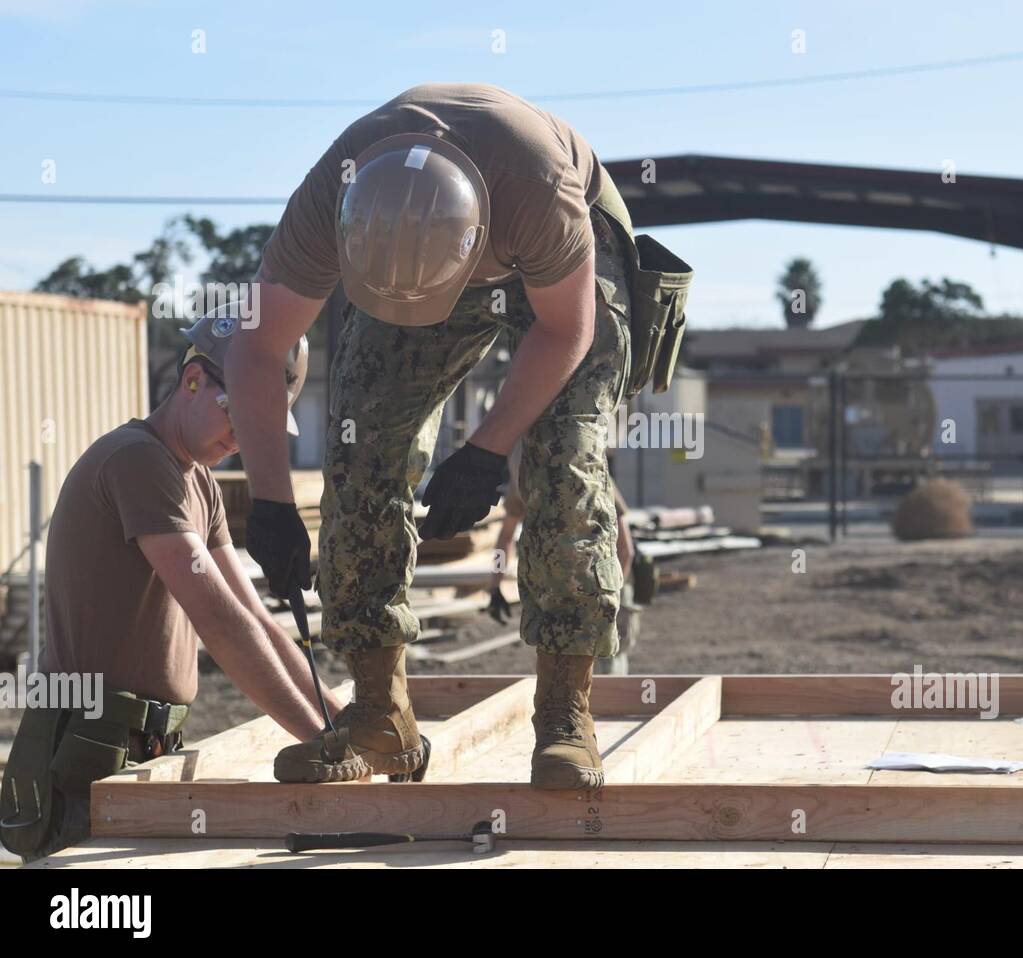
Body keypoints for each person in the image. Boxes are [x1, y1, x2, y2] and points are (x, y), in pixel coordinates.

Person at [222, 83, 637, 789]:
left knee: (563, 463)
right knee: (363, 453)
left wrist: (486, 450)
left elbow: (567, 330)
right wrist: (270, 503)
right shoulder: (337, 196)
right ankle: (381, 716)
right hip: (420, 247)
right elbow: (256, 350)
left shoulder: (537, 188)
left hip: (558, 265)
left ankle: (566, 716)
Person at [0, 309, 346, 863]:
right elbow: (218, 621)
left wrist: (341, 722)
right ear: (192, 381)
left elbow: (252, 616)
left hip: (141, 742)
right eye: (239, 414)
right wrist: (318, 741)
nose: (244, 437)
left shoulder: (199, 481)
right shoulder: (139, 460)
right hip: (88, 746)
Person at [485, 441, 635, 625]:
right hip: (567, 592)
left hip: (610, 583)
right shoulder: (524, 485)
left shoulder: (592, 478)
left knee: (610, 649)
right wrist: (495, 586)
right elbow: (505, 540)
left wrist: (610, 596)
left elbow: (625, 549)